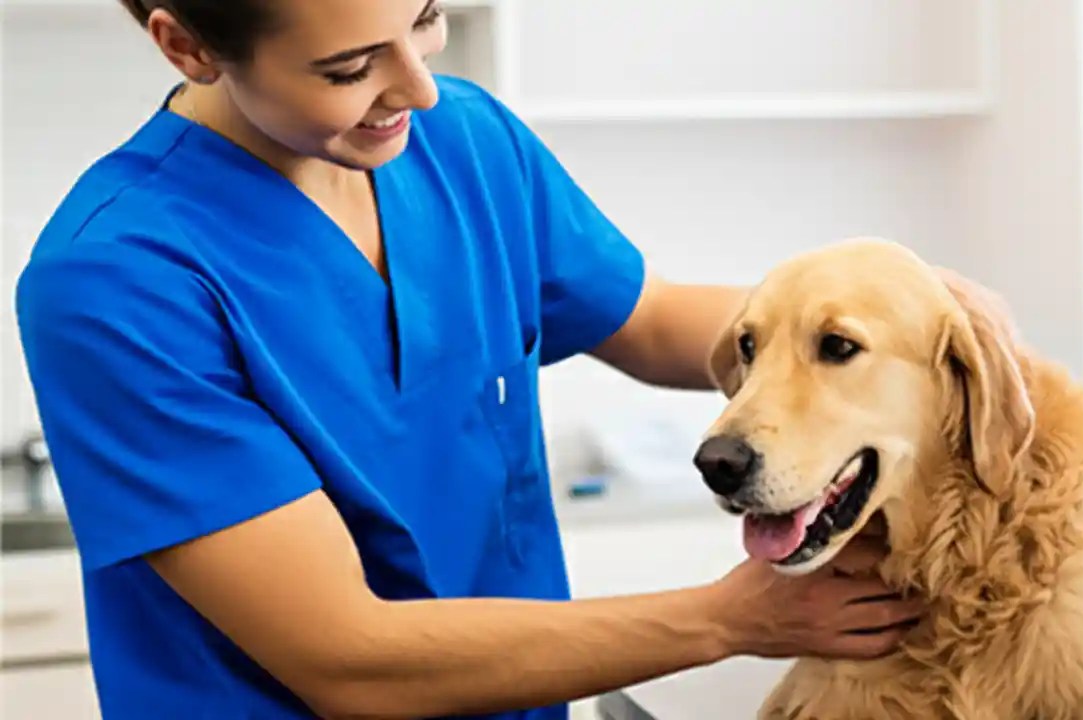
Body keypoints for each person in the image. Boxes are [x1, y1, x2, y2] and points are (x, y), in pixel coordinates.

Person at [14, 1, 923, 718]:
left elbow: (645, 318)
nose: (419, 88)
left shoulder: (464, 145)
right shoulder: (116, 281)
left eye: (425, 19)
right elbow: (347, 658)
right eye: (348, 66)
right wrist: (730, 622)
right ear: (188, 48)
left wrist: (898, 332)